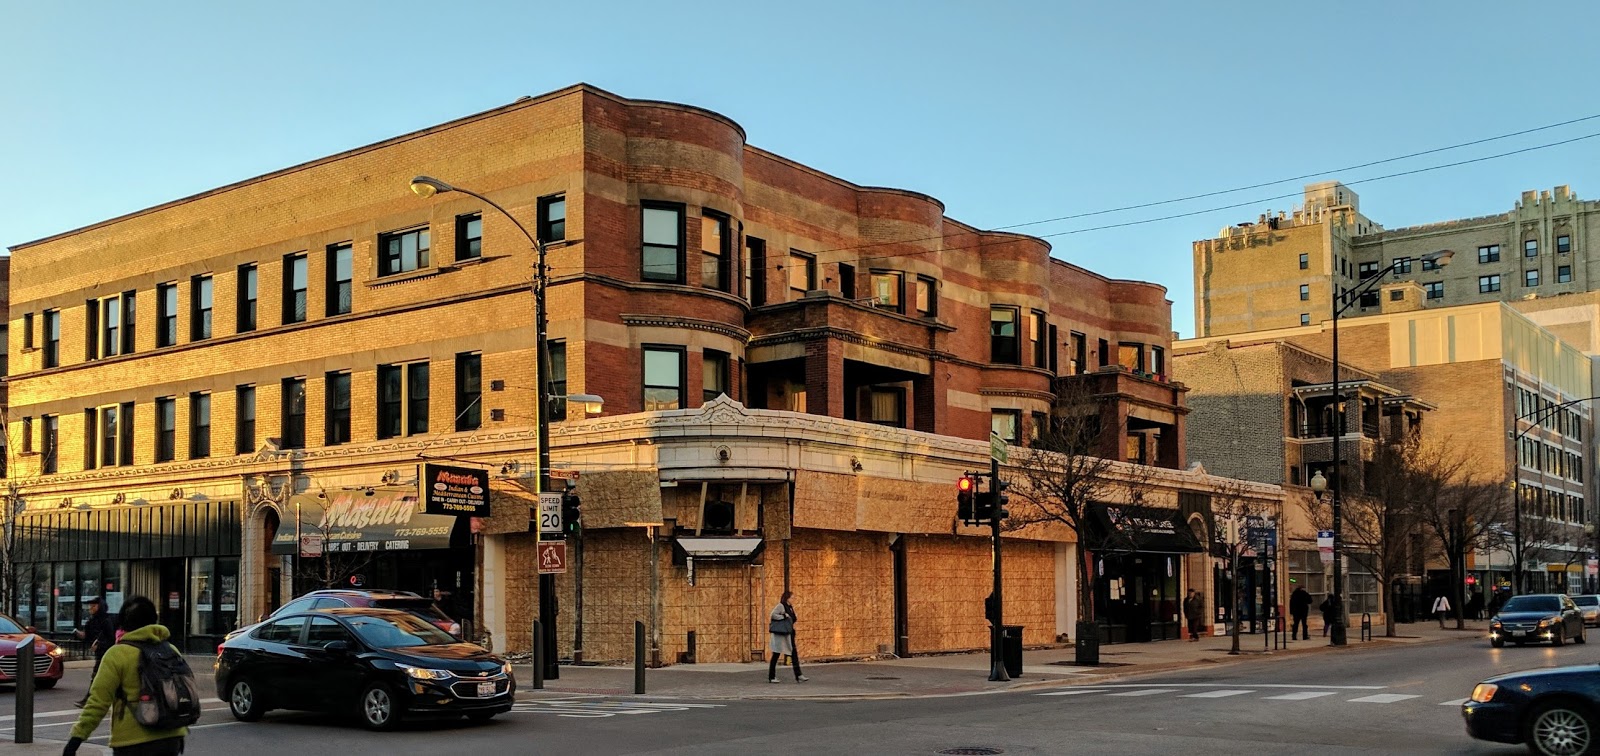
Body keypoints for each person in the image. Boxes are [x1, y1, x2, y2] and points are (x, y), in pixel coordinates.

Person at [64, 595, 188, 756]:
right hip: (171, 737)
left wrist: (76, 739)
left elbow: (98, 703)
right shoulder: (170, 650)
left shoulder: (117, 654)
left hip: (131, 742)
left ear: (123, 622)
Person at [72, 596, 117, 708]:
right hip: (100, 654)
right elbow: (87, 636)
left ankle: (89, 700)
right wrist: (79, 635)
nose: (90, 608)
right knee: (104, 677)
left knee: (97, 676)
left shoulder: (106, 620)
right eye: (90, 606)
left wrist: (99, 644)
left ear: (100, 606)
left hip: (106, 653)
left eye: (93, 606)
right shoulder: (92, 621)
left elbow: (111, 638)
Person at [767, 591, 807, 683]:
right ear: (787, 598)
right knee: (776, 654)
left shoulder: (790, 607)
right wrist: (784, 616)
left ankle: (798, 675)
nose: (793, 599)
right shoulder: (781, 606)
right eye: (792, 597)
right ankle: (771, 676)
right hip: (781, 634)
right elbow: (773, 614)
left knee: (794, 653)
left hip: (789, 633)